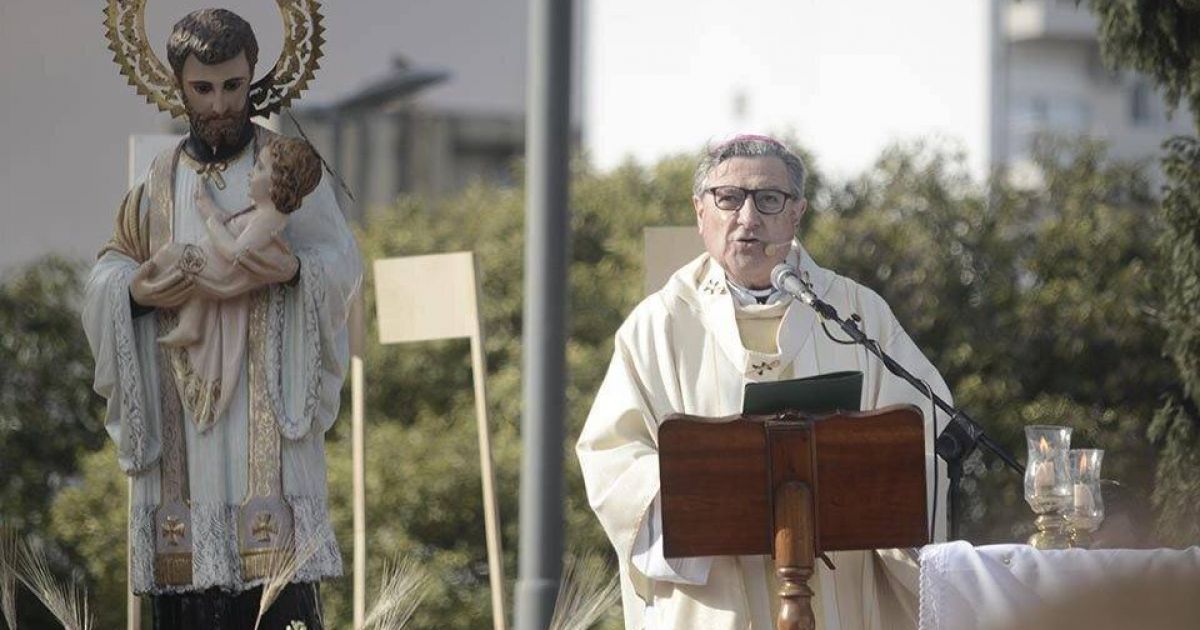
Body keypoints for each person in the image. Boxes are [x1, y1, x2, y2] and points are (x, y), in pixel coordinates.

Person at [576, 135, 950, 629]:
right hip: (716, 602)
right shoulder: (659, 325)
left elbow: (929, 434)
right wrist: (708, 491)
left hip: (835, 597)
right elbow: (613, 459)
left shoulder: (855, 313)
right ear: (700, 212)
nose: (747, 218)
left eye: (769, 199)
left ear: (797, 213)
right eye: (728, 198)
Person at [82, 9, 360, 629]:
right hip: (182, 427)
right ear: (177, 86)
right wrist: (135, 289)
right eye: (203, 89)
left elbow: (342, 265)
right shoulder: (157, 183)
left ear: (252, 77)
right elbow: (105, 273)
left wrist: (292, 273)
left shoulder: (289, 172)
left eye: (233, 86)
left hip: (268, 427)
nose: (220, 105)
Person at [156, 137, 322, 430]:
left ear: (277, 182)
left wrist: (210, 221)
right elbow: (234, 227)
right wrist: (210, 210)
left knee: (173, 257)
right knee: (194, 281)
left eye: (258, 168)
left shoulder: (267, 221)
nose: (250, 173)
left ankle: (183, 317)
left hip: (222, 273)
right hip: (218, 271)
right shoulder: (263, 216)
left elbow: (235, 252)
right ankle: (191, 324)